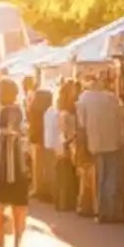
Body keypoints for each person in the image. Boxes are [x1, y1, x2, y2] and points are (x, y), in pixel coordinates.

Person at [0, 77, 30, 247]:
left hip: (1, 164)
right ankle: (18, 246)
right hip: (19, 163)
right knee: (19, 207)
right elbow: (20, 132)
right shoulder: (19, 110)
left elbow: (2, 131)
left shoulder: (1, 112)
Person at [77, 75, 124, 221]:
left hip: (95, 143)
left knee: (100, 178)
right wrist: (123, 139)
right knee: (112, 177)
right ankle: (112, 211)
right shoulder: (112, 98)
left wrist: (82, 145)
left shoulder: (84, 98)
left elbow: (81, 125)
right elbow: (122, 119)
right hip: (114, 142)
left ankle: (101, 211)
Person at [53, 81, 79, 212]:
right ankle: (65, 202)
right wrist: (70, 140)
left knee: (65, 174)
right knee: (66, 174)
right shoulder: (65, 113)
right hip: (67, 145)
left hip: (64, 144)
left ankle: (64, 202)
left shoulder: (63, 111)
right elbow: (64, 131)